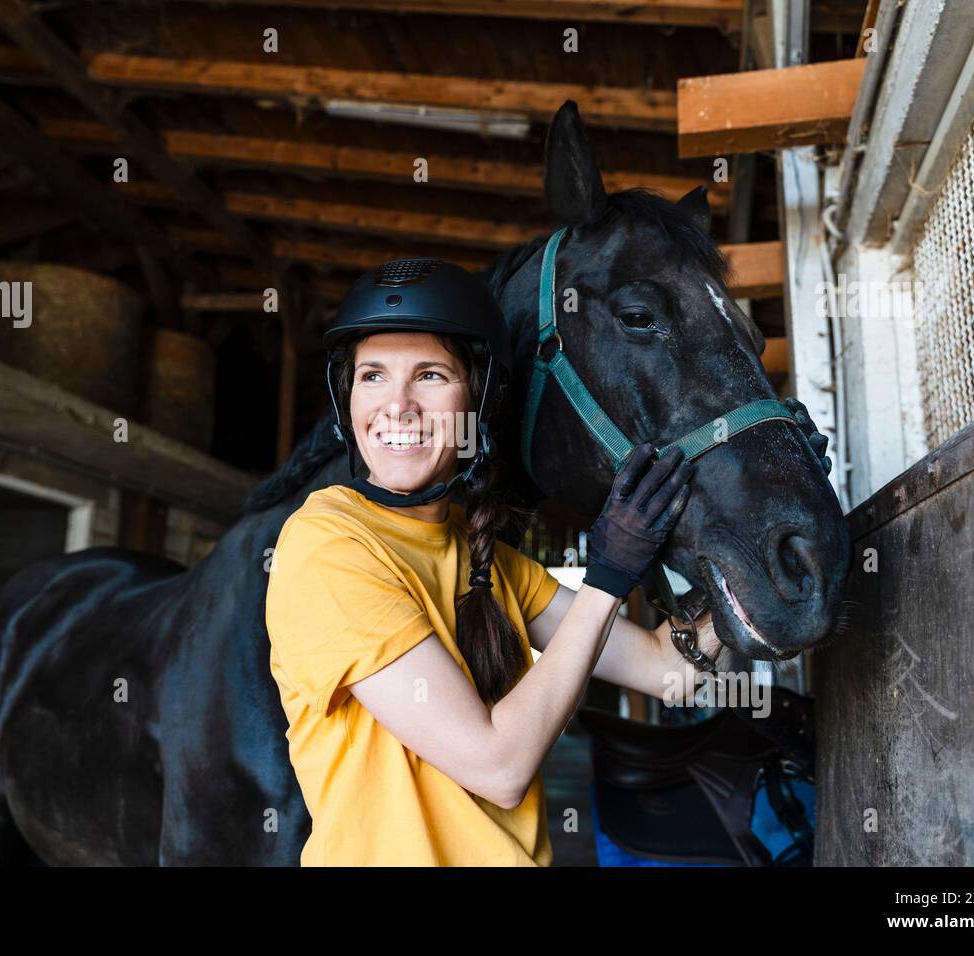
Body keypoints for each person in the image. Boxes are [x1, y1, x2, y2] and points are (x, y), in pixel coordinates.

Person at [265, 258, 720, 866]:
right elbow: (499, 765)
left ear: (476, 399)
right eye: (372, 375)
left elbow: (671, 669)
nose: (397, 406)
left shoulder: (492, 561)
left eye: (429, 375)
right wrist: (608, 577)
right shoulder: (328, 547)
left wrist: (759, 543)